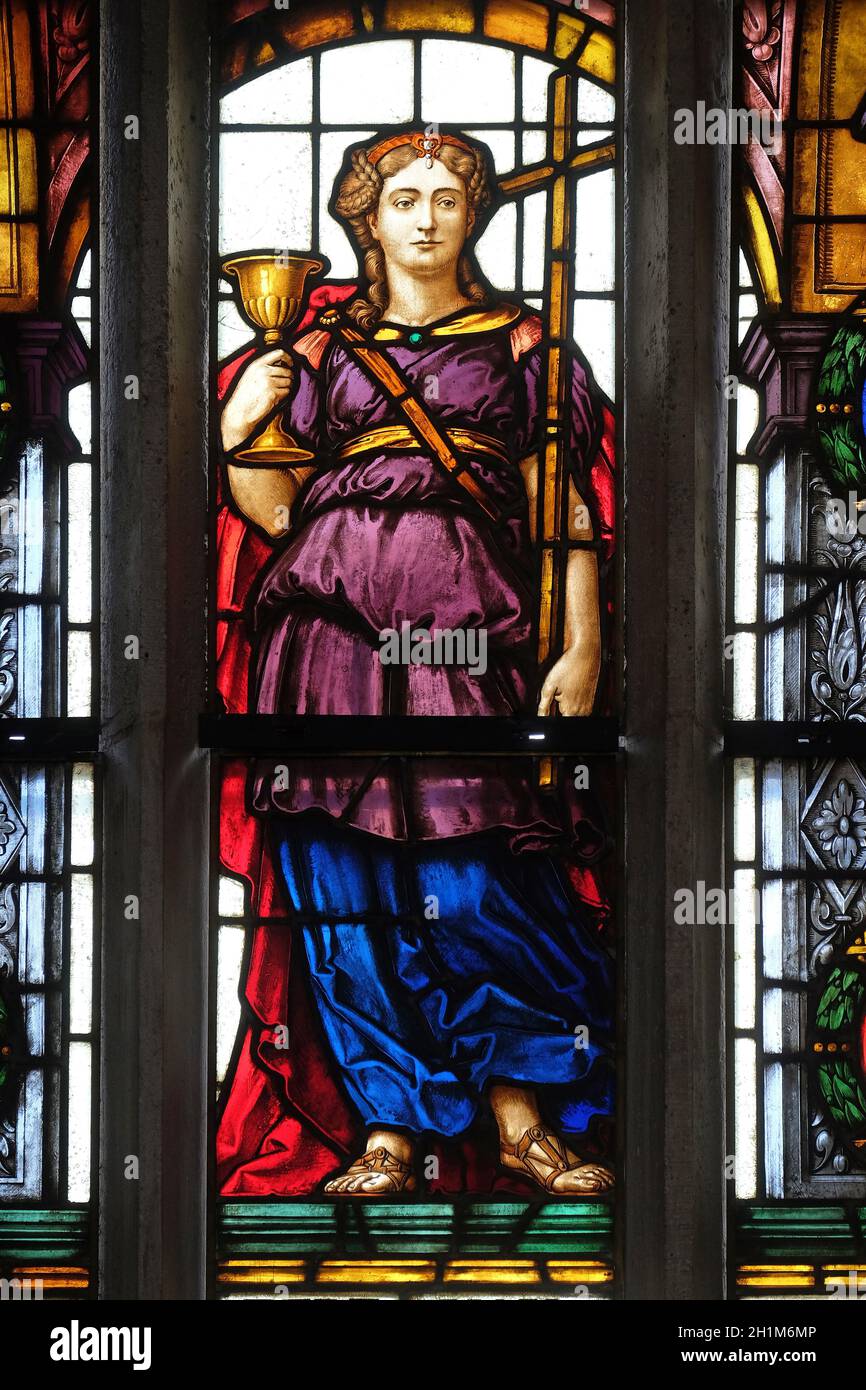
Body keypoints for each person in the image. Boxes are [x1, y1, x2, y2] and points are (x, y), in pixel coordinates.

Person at [217, 128, 616, 1197]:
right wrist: (242, 424)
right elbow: (275, 511)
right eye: (404, 197)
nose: (427, 216)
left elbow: (559, 506)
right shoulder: (325, 353)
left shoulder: (523, 348)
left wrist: (580, 642)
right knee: (343, 884)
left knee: (476, 874)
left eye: (448, 196)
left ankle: (521, 1116)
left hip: (460, 639)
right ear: (368, 220)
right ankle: (387, 1123)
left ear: (474, 217)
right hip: (322, 643)